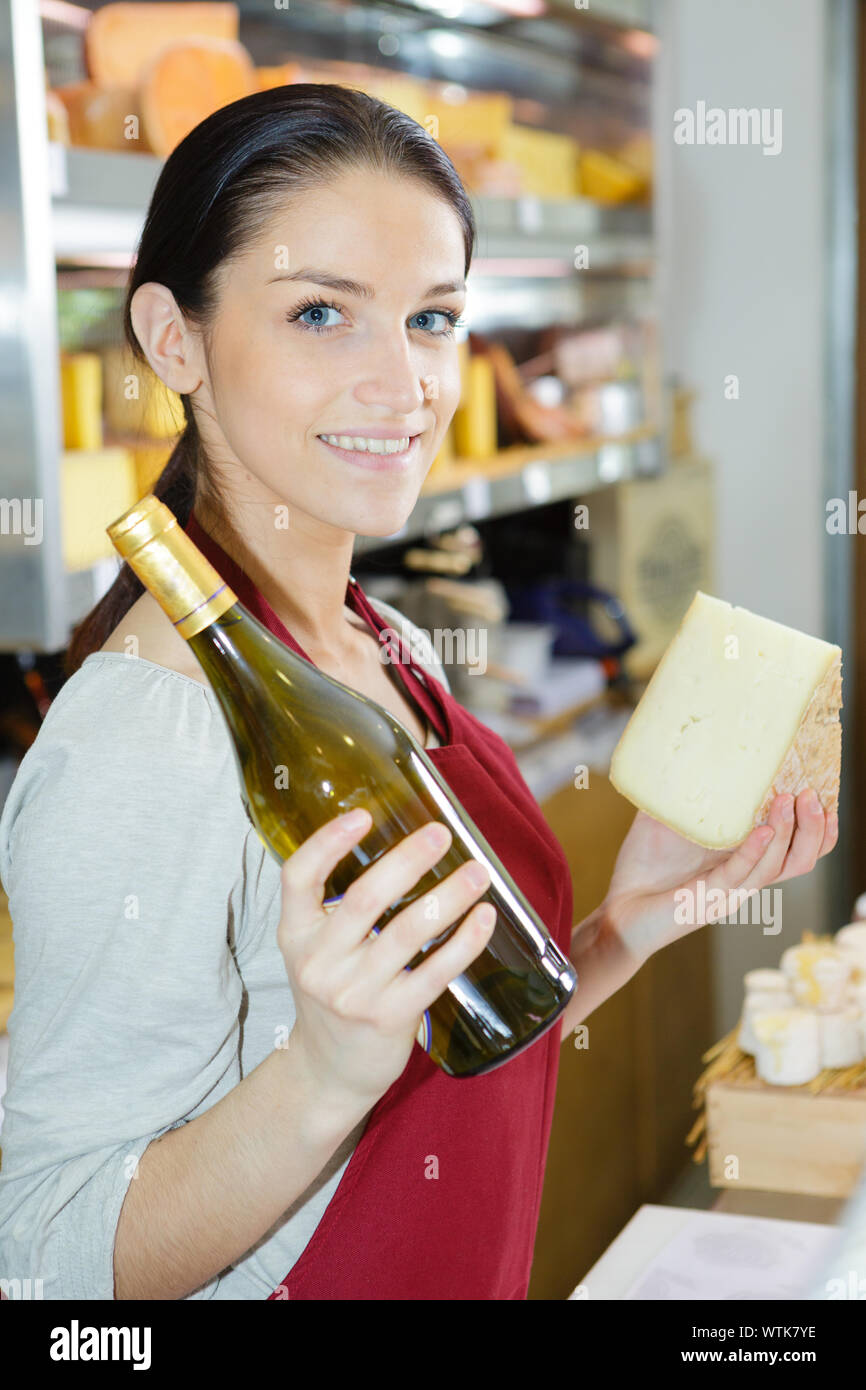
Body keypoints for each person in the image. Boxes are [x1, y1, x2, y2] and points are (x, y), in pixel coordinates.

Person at [0, 84, 836, 1301]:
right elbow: (45, 1262)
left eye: (433, 317)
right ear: (173, 338)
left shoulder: (374, 638)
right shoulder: (152, 732)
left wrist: (620, 926)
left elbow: (460, 1026)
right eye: (321, 312)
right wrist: (321, 1076)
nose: (404, 385)